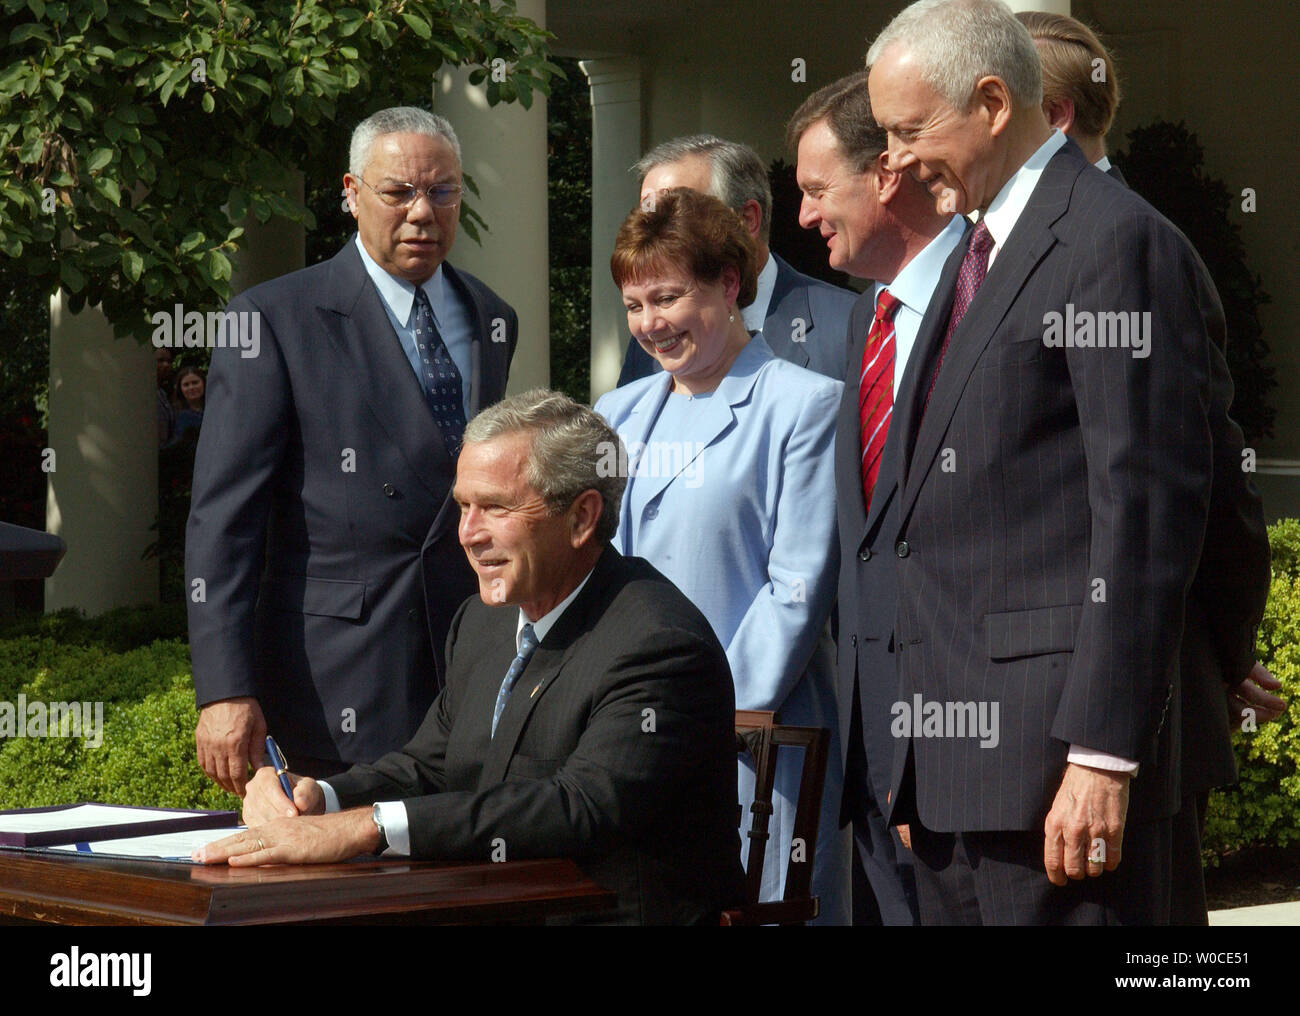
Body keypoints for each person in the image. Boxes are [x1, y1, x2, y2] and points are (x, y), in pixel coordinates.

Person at [865, 0, 1239, 924]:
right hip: (956, 778)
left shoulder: (1116, 241)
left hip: (1053, 776)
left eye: (909, 131)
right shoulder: (974, 249)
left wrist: (1102, 755)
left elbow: (1146, 514)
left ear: (993, 102)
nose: (896, 162)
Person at [196, 390, 746, 926]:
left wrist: (367, 828)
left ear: (582, 518)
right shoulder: (483, 621)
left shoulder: (659, 643)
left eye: (496, 508)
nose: (467, 534)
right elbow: (432, 767)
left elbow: (578, 807)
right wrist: (323, 800)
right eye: (462, 506)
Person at [1018, 7, 1280, 925]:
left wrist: (1220, 647)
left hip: (1130, 711)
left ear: (1046, 114)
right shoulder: (1006, 250)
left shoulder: (1126, 245)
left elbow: (1194, 487)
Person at [186, 107, 518, 792]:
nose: (423, 212)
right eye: (398, 191)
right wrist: (222, 689)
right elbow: (225, 518)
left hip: (472, 668)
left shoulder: (491, 317)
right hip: (335, 681)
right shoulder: (273, 319)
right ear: (351, 193)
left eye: (443, 191)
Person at [594, 188, 851, 924]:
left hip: (753, 735)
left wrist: (704, 711)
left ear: (729, 285)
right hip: (632, 740)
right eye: (635, 304)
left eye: (669, 297)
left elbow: (797, 585)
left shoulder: (804, 404)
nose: (650, 323)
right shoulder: (617, 416)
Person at [788, 71, 964, 926]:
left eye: (819, 190)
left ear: (886, 176)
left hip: (978, 760)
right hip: (873, 753)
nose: (806, 216)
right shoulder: (865, 321)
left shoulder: (987, 299)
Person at [615, 135, 856, 386]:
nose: (652, 236)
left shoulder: (847, 325)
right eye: (649, 215)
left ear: (747, 219)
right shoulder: (653, 332)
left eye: (676, 216)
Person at [170, 366, 205, 443]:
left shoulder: (216, 410)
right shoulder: (175, 415)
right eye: (186, 385)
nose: (191, 387)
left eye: (195, 383)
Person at [155, 347, 175, 447]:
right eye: (160, 360)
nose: (166, 365)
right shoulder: (142, 394)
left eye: (169, 361)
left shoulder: (162, 394)